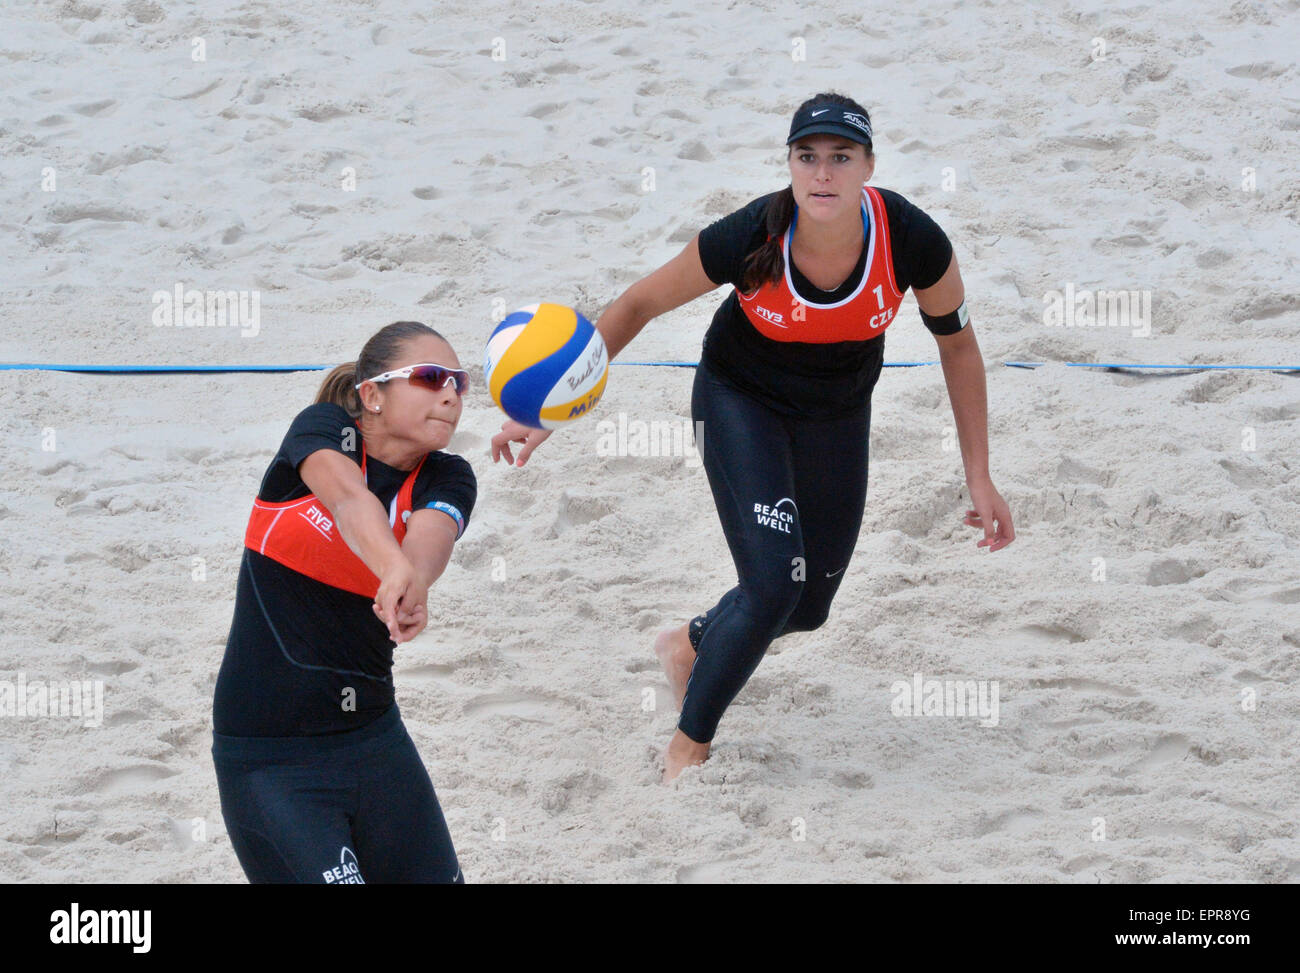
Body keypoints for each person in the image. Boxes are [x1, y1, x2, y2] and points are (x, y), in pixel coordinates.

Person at [491, 92, 1015, 783]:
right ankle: (689, 749)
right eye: (808, 157)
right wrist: (550, 408)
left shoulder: (912, 239)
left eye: (840, 157)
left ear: (868, 167)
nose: (822, 173)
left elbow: (960, 349)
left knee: (810, 605)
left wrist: (979, 473)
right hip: (740, 400)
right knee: (772, 583)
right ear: (790, 165)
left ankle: (689, 642)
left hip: (836, 413)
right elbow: (641, 302)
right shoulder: (754, 235)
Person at [212, 321, 477, 881]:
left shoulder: (449, 476)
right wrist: (392, 567)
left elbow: (431, 539)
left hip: (376, 741)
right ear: (372, 395)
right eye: (429, 378)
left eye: (459, 381)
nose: (450, 393)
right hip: (270, 757)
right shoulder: (324, 432)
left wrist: (415, 584)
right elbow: (349, 501)